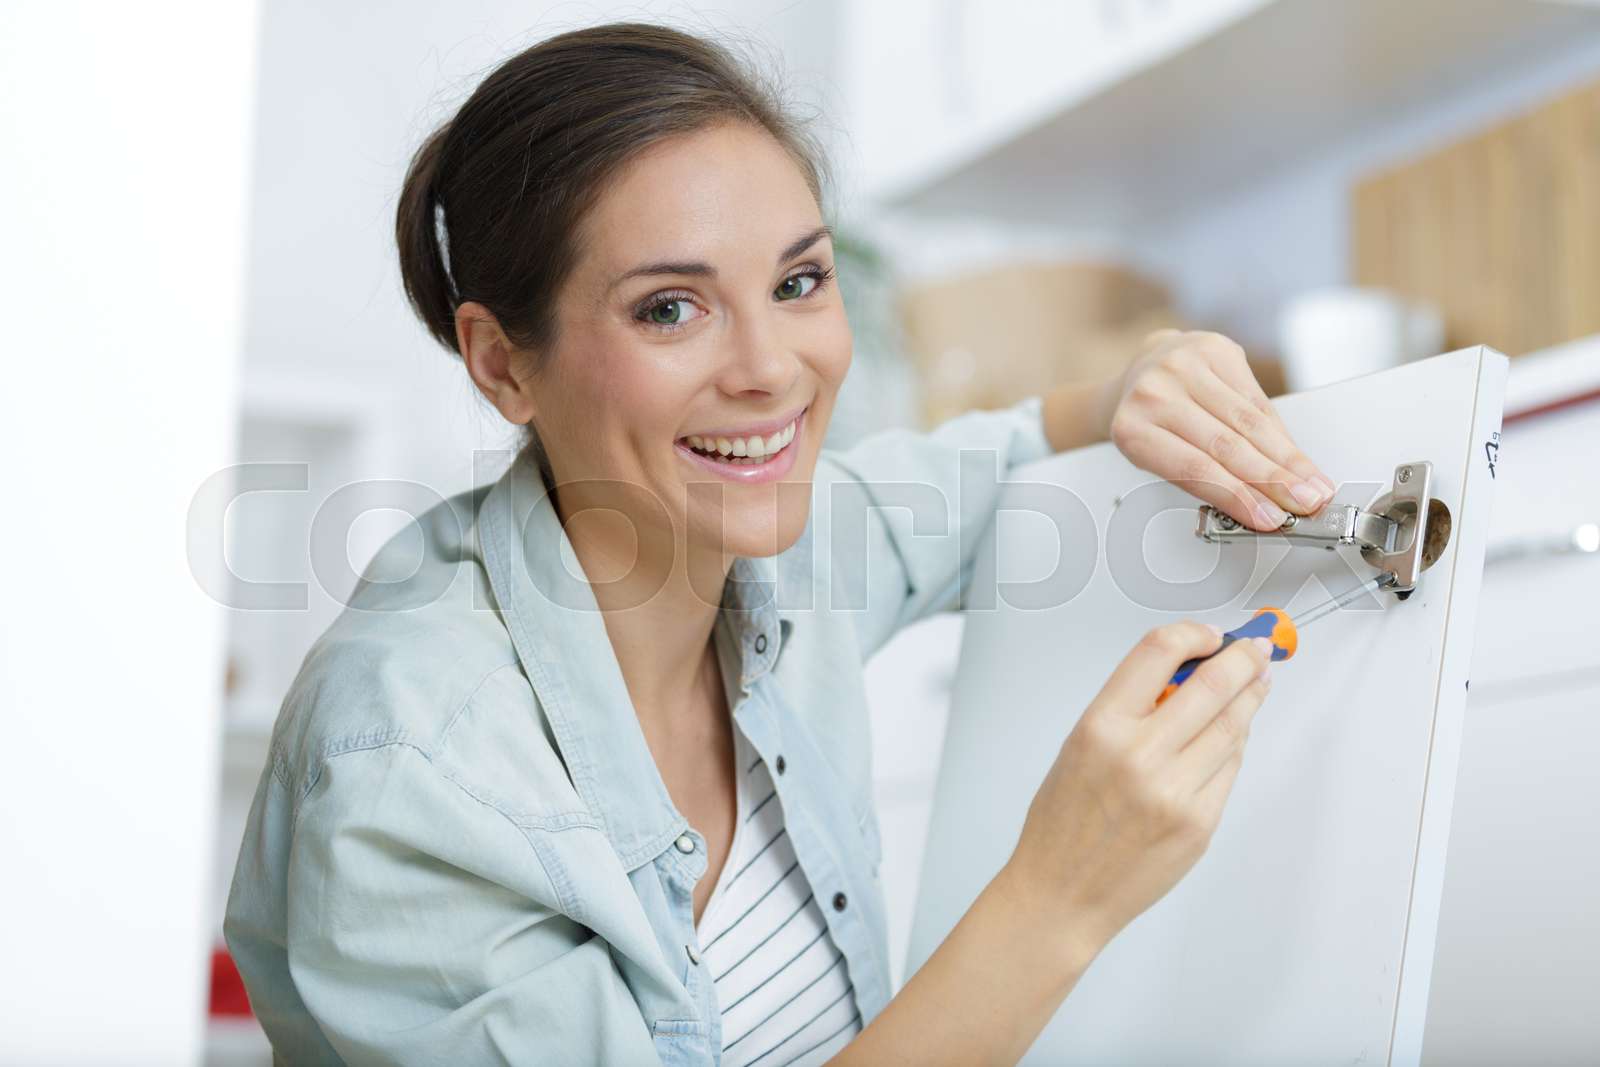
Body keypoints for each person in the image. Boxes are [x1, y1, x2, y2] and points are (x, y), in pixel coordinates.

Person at [224, 20, 1337, 1066]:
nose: (769, 367)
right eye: (670, 307)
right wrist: (1061, 895)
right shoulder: (408, 771)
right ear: (504, 362)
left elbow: (1011, 455)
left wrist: (1145, 381)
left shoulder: (784, 550)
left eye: (798, 281)